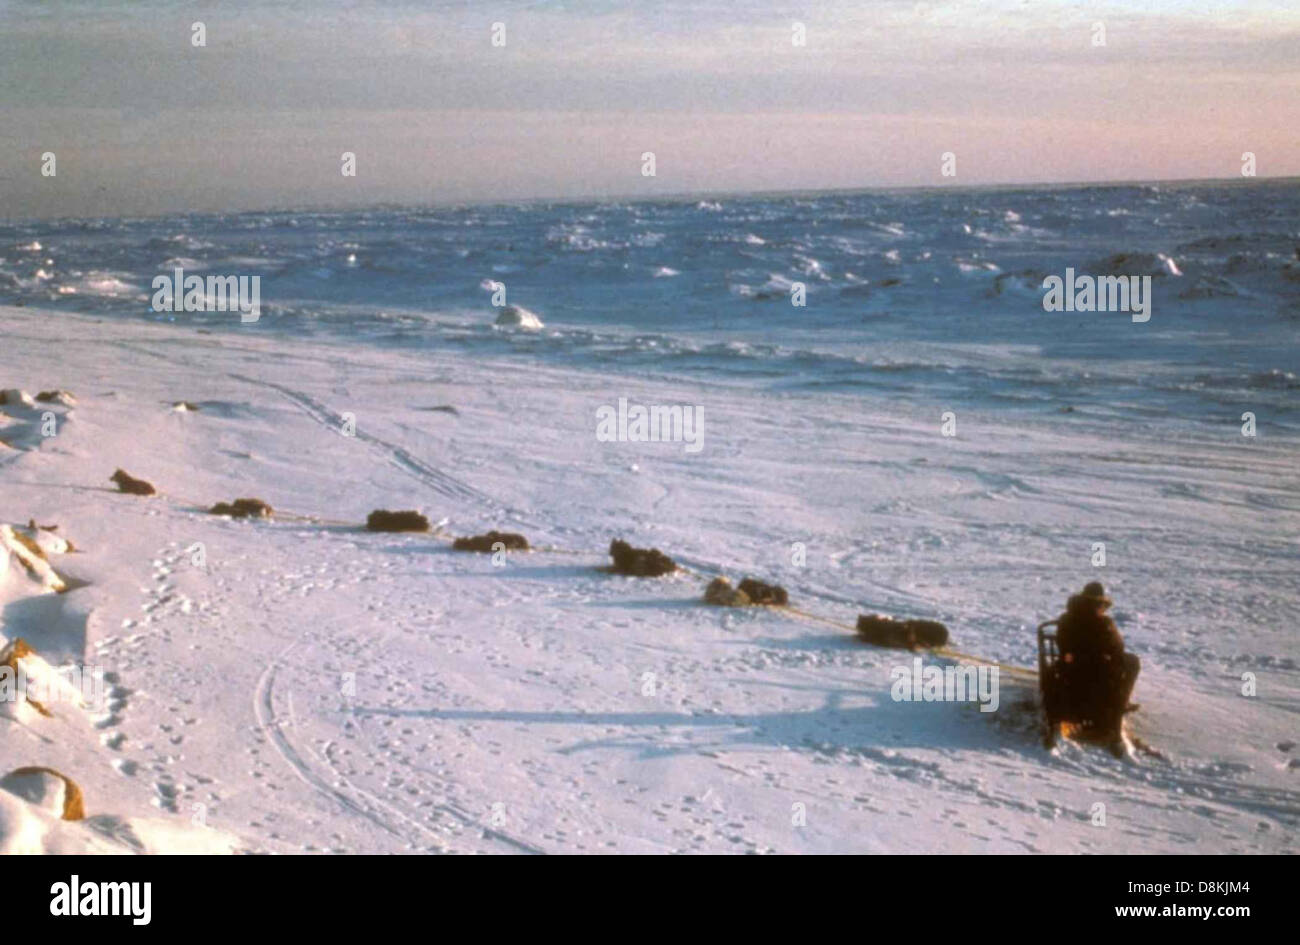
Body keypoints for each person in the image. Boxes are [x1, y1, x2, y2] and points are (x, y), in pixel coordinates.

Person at [1053, 582, 1140, 753]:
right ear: (1098, 604)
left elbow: (1062, 645)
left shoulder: (1065, 619)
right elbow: (1117, 648)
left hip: (1069, 671)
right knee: (1132, 662)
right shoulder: (1103, 623)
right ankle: (1120, 704)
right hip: (1097, 676)